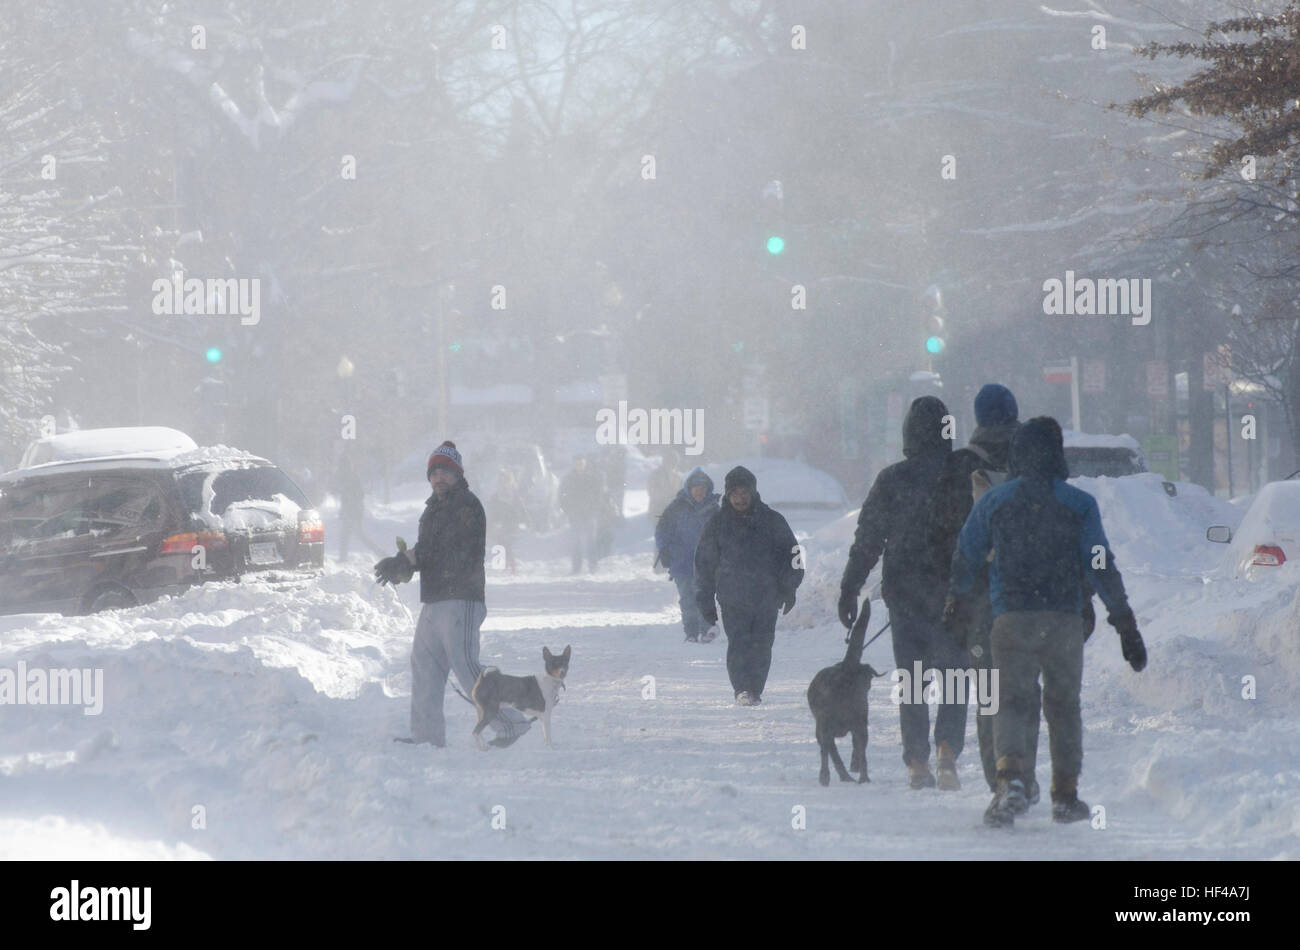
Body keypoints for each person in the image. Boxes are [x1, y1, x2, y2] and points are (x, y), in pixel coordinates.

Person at [946, 417, 1147, 827]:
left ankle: (1010, 780)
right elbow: (1099, 562)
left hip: (1011, 618)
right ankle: (1065, 793)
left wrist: (957, 601)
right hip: (1063, 620)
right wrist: (1123, 620)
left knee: (1011, 702)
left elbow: (967, 553)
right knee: (1063, 706)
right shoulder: (1079, 505)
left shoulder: (994, 501)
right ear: (1057, 453)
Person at [837, 395, 967, 790]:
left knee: (912, 678)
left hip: (907, 596)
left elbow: (868, 540)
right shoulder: (963, 474)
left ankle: (917, 762)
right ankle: (947, 750)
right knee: (955, 675)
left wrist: (849, 586)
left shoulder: (892, 479)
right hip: (955, 595)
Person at [375, 441, 530, 748]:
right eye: (434, 472)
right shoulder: (432, 510)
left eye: (446, 471)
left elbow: (447, 549)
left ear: (458, 474)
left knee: (466, 667)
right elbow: (429, 552)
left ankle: (513, 723)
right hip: (434, 600)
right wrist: (402, 566)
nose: (439, 478)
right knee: (424, 665)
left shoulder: (466, 506)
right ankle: (426, 736)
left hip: (461, 598)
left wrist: (407, 560)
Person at [926, 383, 1035, 799]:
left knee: (989, 691)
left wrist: (951, 592)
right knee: (1024, 691)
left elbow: (946, 533)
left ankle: (1001, 780)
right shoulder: (1035, 458)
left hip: (982, 599)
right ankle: (1025, 773)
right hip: (1031, 595)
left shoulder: (963, 466)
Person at [694, 466, 803, 705]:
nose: (740, 498)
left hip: (767, 597)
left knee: (762, 645)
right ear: (727, 495)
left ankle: (755, 688)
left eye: (744, 493)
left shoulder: (772, 521)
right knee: (739, 643)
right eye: (735, 493)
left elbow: (793, 556)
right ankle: (742, 689)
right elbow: (704, 564)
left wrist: (789, 588)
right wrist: (705, 600)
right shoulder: (717, 523)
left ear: (753, 493)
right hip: (732, 598)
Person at [654, 467, 721, 642]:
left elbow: (724, 533)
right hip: (681, 562)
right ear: (689, 489)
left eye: (703, 489)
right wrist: (664, 549)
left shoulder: (714, 509)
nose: (699, 493)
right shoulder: (676, 507)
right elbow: (662, 530)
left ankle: (707, 629)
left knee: (704, 596)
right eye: (696, 489)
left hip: (706, 563)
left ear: (708, 490)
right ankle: (691, 632)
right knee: (687, 599)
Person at [560, 455, 606, 573]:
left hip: (590, 515)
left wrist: (595, 509)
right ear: (573, 464)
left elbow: (599, 495)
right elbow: (562, 496)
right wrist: (567, 510)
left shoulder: (593, 478)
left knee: (591, 541)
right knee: (576, 543)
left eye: (581, 463)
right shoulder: (568, 479)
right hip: (575, 515)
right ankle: (576, 567)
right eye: (576, 463)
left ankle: (593, 566)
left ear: (585, 463)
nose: (579, 465)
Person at [336, 454, 382, 559]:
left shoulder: (350, 477)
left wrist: (350, 509)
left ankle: (380, 553)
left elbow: (358, 495)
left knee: (355, 535)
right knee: (353, 535)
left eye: (341, 466)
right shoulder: (348, 477)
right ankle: (379, 553)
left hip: (353, 512)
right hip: (352, 512)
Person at [489, 467, 527, 573]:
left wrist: (526, 520)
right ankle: (507, 565)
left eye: (506, 480)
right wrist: (492, 522)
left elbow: (521, 508)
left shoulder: (515, 495)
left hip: (512, 523)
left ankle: (512, 566)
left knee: (507, 543)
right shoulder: (496, 496)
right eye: (501, 480)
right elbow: (492, 510)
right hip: (500, 524)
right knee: (501, 544)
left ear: (510, 481)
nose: (503, 483)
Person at [647, 449, 683, 528]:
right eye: (672, 461)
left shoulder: (677, 477)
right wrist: (669, 495)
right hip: (658, 511)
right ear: (665, 461)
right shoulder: (656, 475)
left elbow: (681, 494)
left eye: (675, 462)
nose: (674, 464)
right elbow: (652, 492)